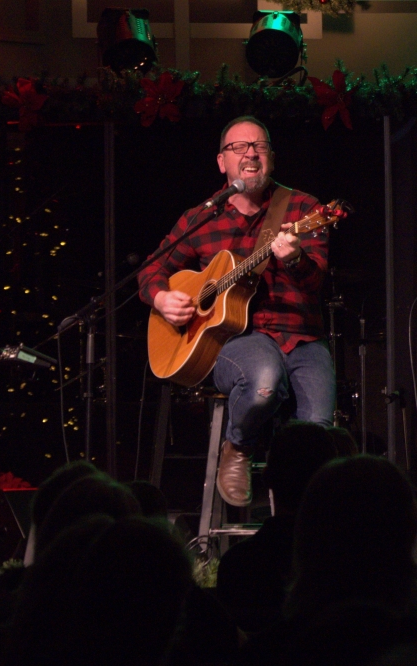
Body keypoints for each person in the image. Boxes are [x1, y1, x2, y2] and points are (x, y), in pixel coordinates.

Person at [138, 116, 336, 507]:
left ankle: (306, 520)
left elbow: (315, 285)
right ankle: (238, 446)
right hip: (236, 339)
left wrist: (295, 259)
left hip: (301, 335)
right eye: (239, 147)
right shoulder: (201, 217)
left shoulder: (303, 208)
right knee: (263, 382)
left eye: (259, 147)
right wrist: (162, 298)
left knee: (318, 430)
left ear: (271, 158)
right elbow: (151, 269)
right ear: (221, 162)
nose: (250, 154)